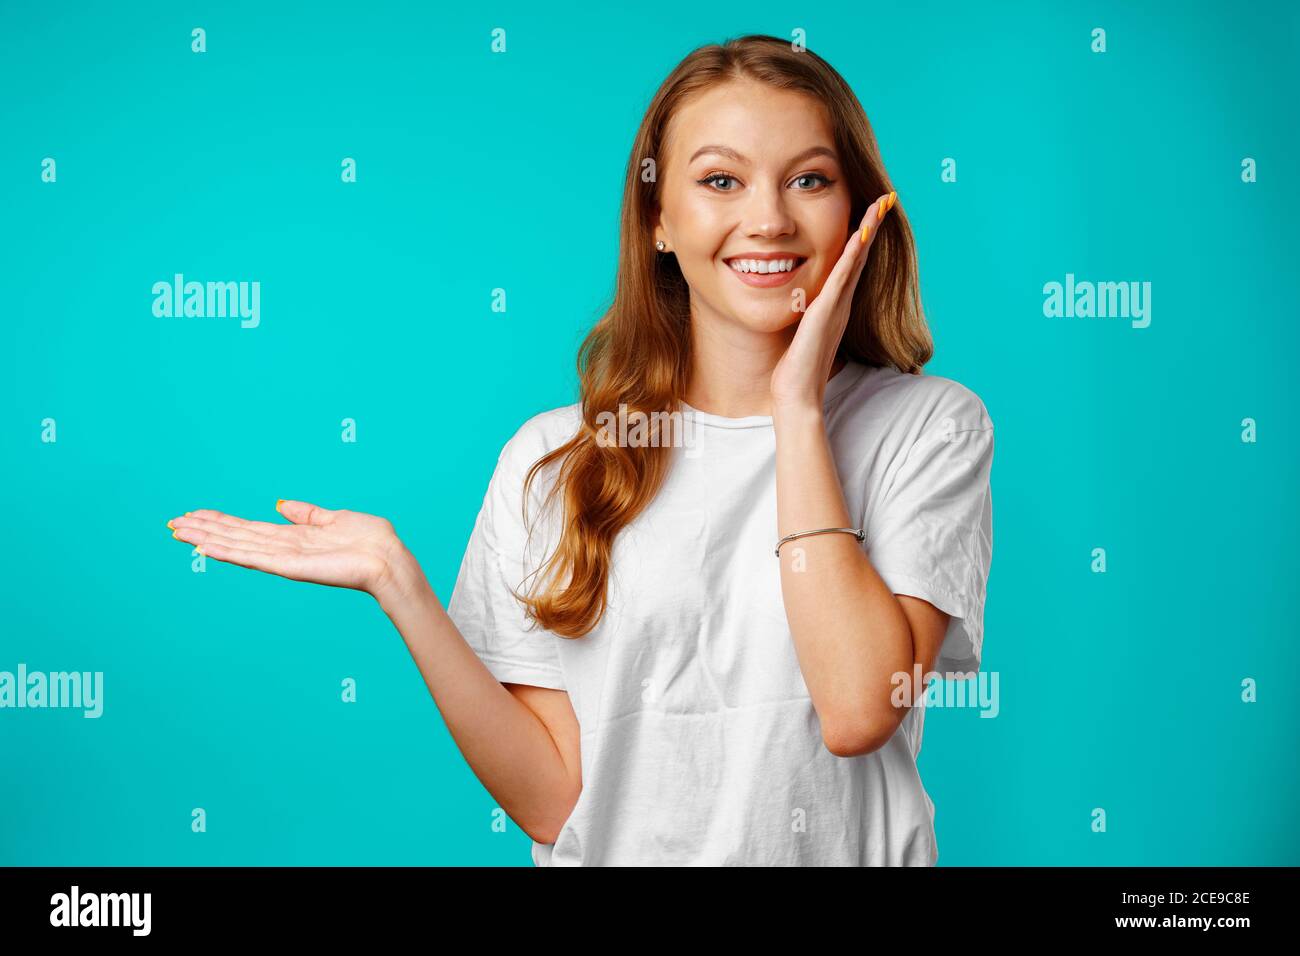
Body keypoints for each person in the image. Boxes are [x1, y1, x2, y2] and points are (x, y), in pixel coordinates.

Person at [166, 34, 994, 866]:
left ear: (858, 209)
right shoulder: (553, 458)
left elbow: (856, 710)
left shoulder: (929, 429)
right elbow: (555, 801)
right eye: (720, 181)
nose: (769, 218)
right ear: (660, 221)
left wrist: (796, 412)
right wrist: (400, 586)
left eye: (809, 179)